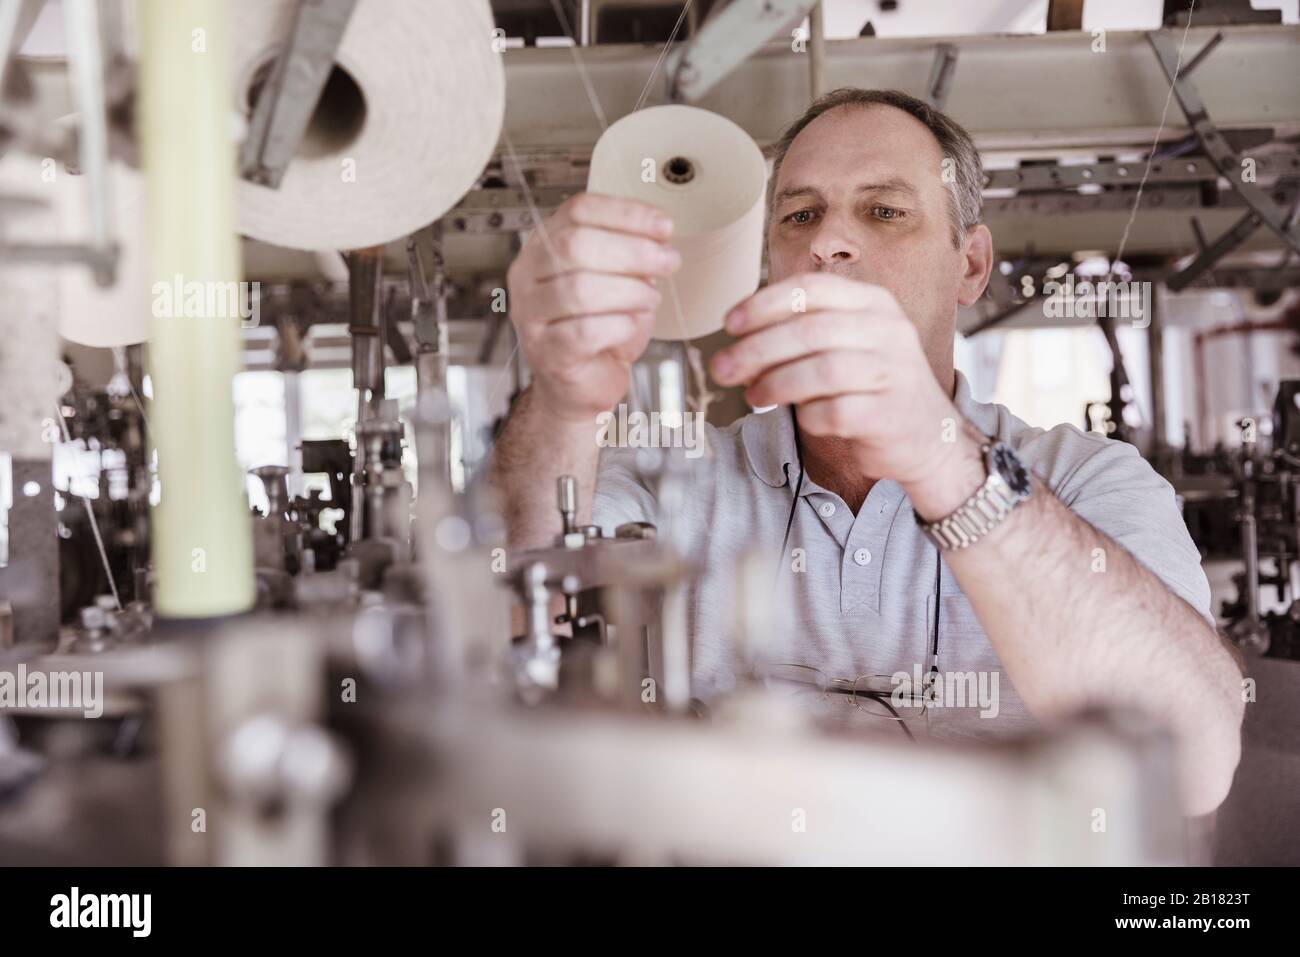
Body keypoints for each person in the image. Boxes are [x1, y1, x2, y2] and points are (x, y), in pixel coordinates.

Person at [489, 88, 1243, 817]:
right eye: (799, 215)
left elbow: (1193, 765)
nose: (827, 240)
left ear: (970, 266)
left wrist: (944, 462)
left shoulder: (1090, 484)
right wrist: (562, 395)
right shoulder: (679, 483)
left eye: (885, 210)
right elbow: (515, 623)